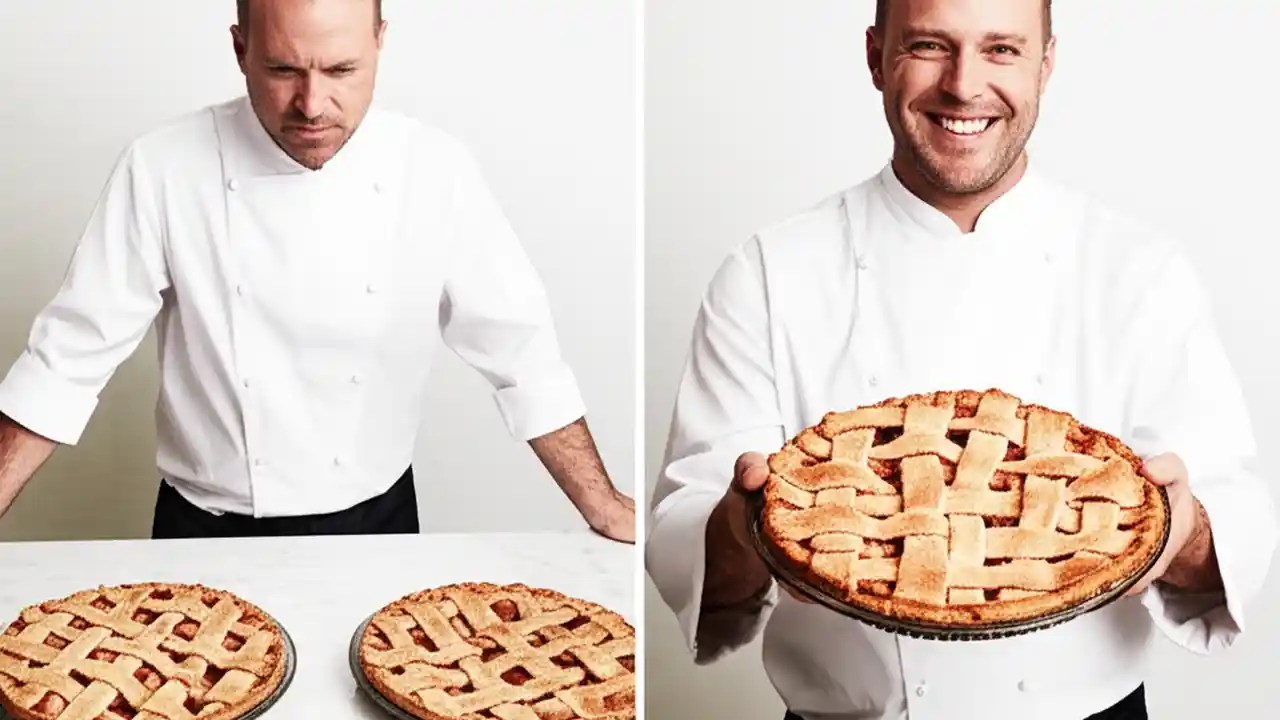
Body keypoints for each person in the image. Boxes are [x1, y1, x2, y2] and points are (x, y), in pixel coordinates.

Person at [646, 0, 1276, 718]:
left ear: (1046, 64)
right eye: (929, 46)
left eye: (1001, 49)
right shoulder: (769, 272)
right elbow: (686, 538)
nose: (964, 85)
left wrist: (1182, 532)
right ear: (876, 57)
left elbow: (1234, 520)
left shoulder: (1140, 273)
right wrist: (746, 525)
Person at [0, 0, 634, 542]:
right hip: (203, 530)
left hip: (380, 525)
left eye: (341, 70)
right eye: (283, 70)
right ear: (240, 49)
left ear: (380, 43)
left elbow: (522, 353)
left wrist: (602, 503)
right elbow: (65, 362)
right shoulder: (162, 167)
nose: (312, 104)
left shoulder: (434, 170)